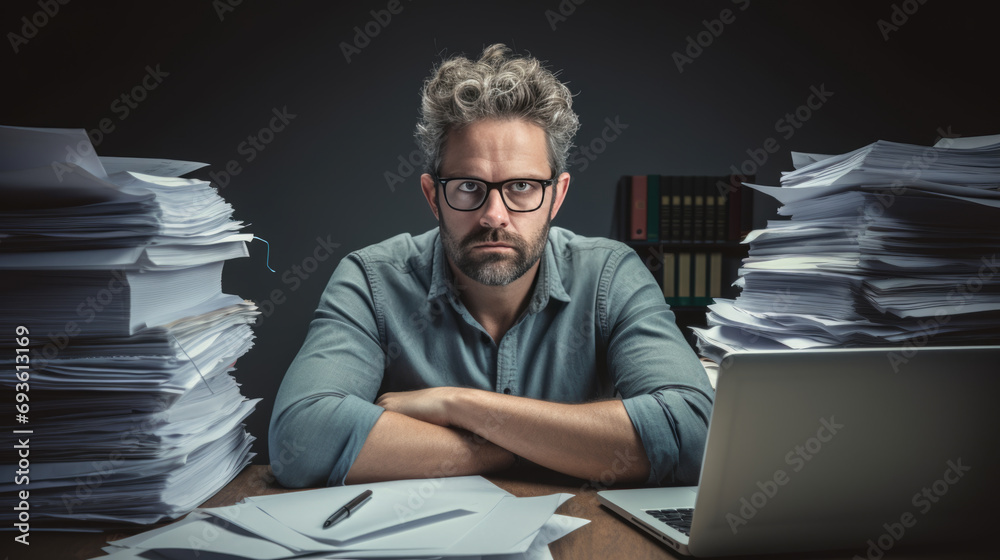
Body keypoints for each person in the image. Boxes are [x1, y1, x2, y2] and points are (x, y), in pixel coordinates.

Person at [269, 44, 713, 488]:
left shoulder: (611, 275)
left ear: (557, 196)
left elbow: (694, 434)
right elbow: (302, 439)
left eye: (521, 186)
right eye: (468, 186)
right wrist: (537, 448)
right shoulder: (371, 280)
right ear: (432, 196)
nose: (494, 215)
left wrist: (456, 405)